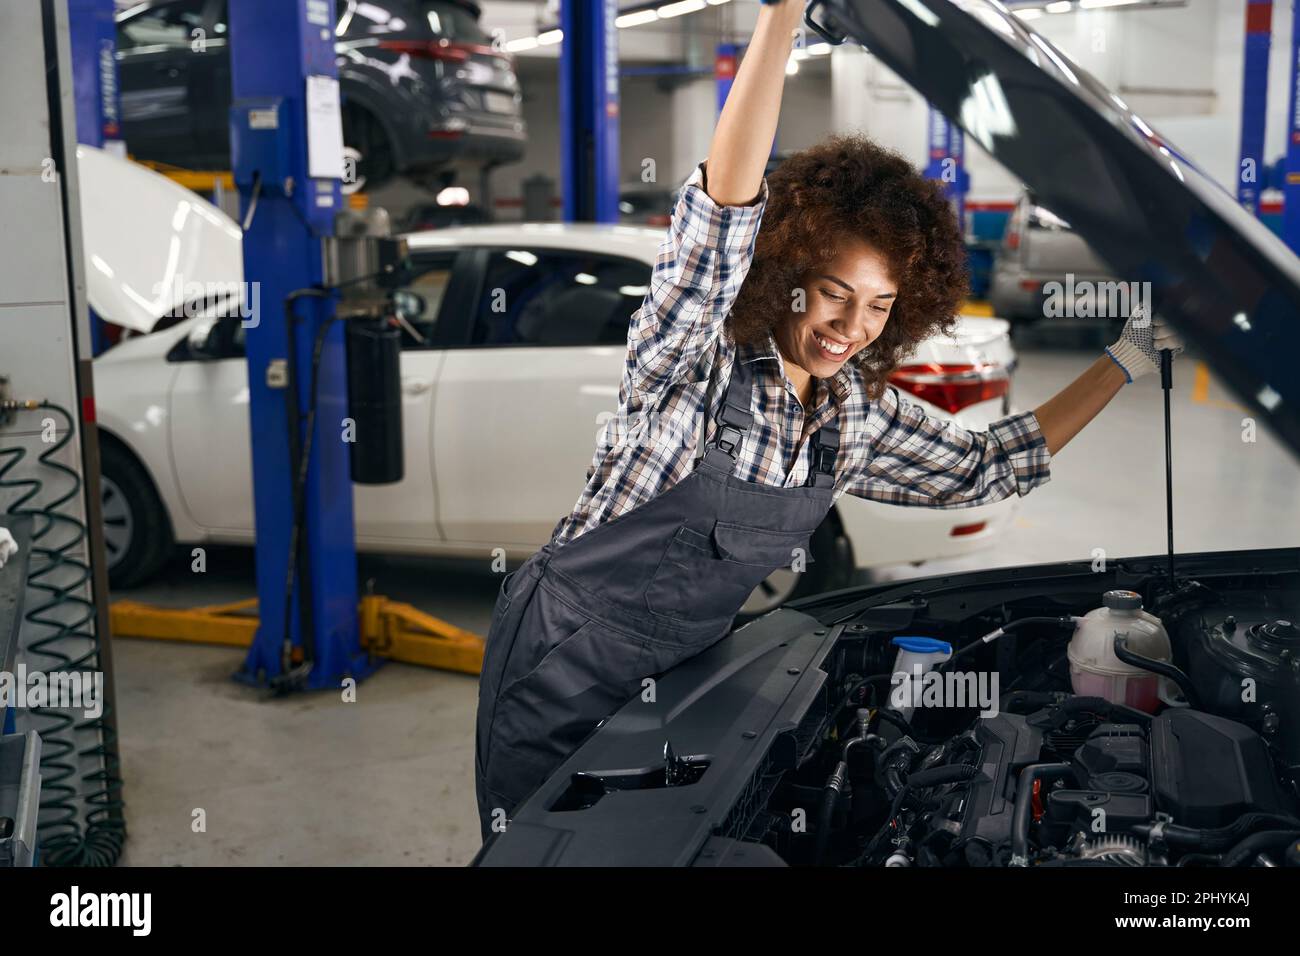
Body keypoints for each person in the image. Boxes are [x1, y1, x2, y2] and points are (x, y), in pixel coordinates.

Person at [473, 0, 1182, 841]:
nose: (852, 326)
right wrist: (781, 16)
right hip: (563, 665)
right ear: (787, 276)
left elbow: (989, 464)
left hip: (690, 673)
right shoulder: (692, 366)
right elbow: (720, 218)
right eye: (835, 294)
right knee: (545, 851)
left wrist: (1126, 358)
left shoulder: (852, 418)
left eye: (880, 305)